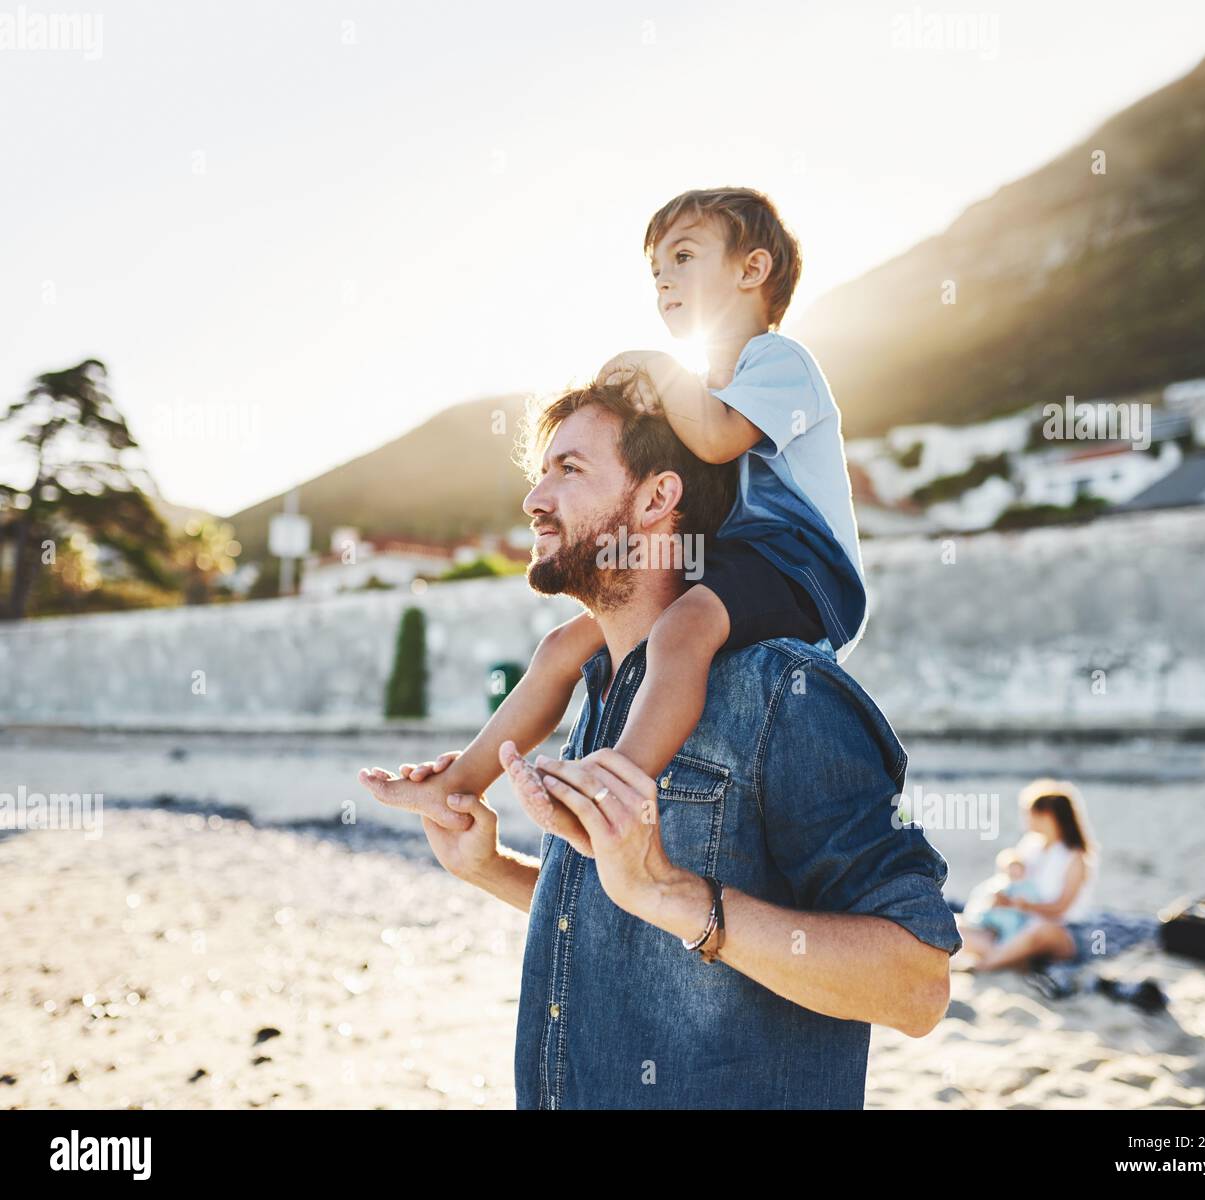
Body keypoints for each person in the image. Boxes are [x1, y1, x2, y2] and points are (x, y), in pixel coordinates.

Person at [359, 375, 961, 1109]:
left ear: (655, 499)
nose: (534, 499)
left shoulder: (781, 693)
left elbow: (918, 983)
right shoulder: (602, 689)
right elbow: (626, 918)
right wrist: (487, 868)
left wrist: (679, 896)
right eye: (540, 470)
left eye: (569, 469)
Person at [368, 186, 868, 825]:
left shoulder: (779, 360)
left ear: (752, 269)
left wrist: (656, 367)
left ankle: (615, 785)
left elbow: (716, 443)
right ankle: (459, 781)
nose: (664, 285)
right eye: (656, 274)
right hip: (728, 555)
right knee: (561, 646)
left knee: (683, 631)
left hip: (803, 567)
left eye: (683, 258)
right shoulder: (708, 384)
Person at [955, 779, 1100, 973]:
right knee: (957, 925)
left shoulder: (1075, 857)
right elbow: (1011, 879)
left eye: (1030, 814)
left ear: (1048, 816)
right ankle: (1013, 957)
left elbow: (1061, 909)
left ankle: (986, 964)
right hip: (1017, 925)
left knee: (1041, 932)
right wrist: (1002, 899)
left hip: (1060, 931)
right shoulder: (1031, 845)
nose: (1026, 820)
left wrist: (1024, 905)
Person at [963, 848, 1040, 943]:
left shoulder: (1027, 887)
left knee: (1010, 923)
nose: (1014, 872)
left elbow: (1032, 904)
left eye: (1017, 868)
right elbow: (979, 900)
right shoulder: (996, 883)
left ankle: (1006, 947)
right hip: (989, 918)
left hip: (1014, 920)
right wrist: (992, 902)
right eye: (1011, 868)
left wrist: (1015, 903)